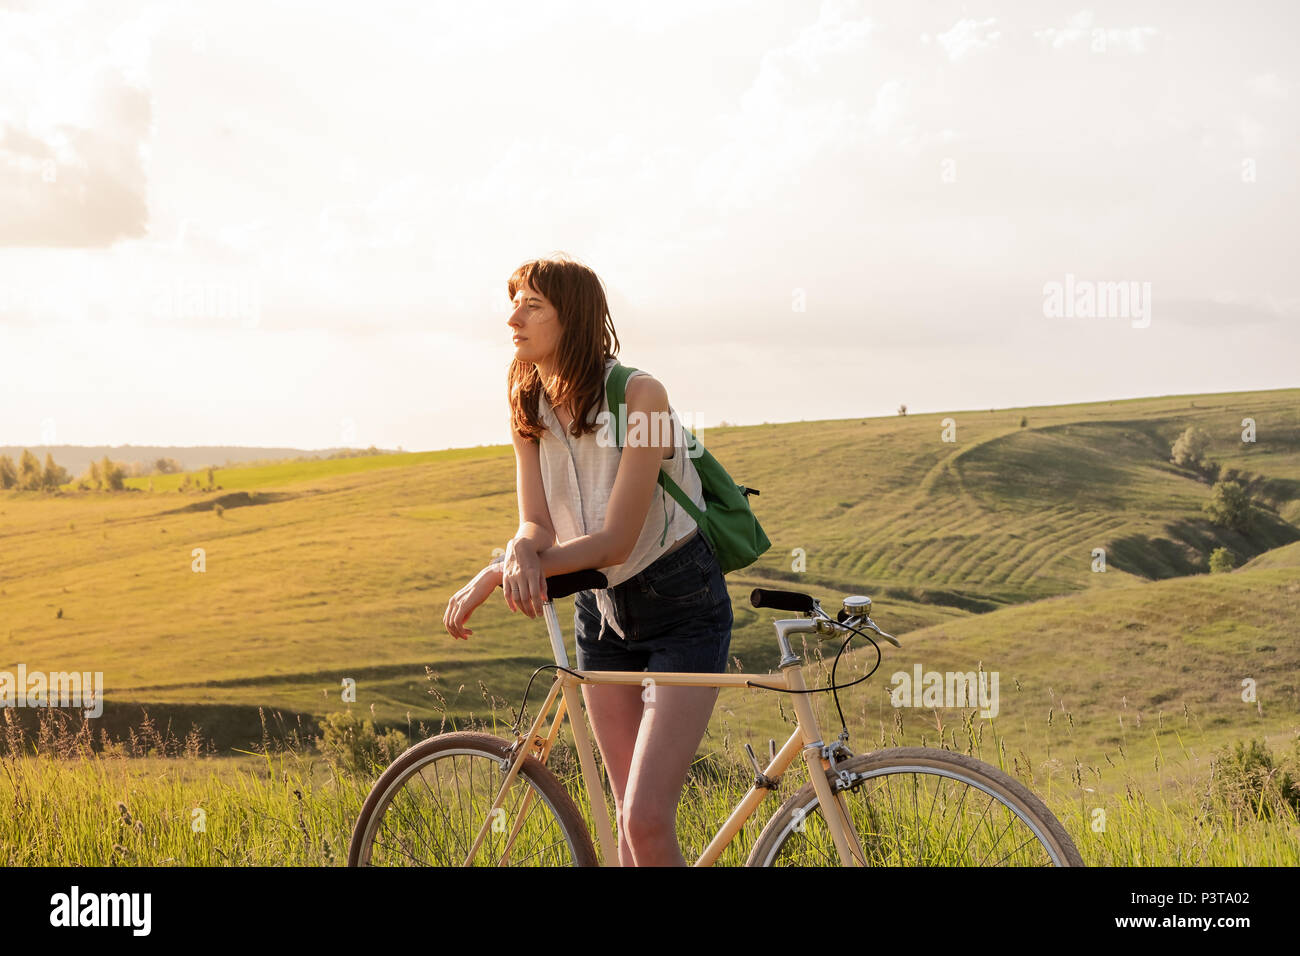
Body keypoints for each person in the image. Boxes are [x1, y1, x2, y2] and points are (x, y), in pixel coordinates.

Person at [442, 253, 733, 866]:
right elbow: (538, 523)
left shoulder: (643, 396)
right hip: (601, 611)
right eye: (514, 301)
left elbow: (616, 541)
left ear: (570, 318)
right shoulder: (527, 404)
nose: (512, 318)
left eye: (532, 305)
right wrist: (518, 547)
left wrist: (501, 573)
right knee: (627, 829)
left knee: (647, 821)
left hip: (682, 603)